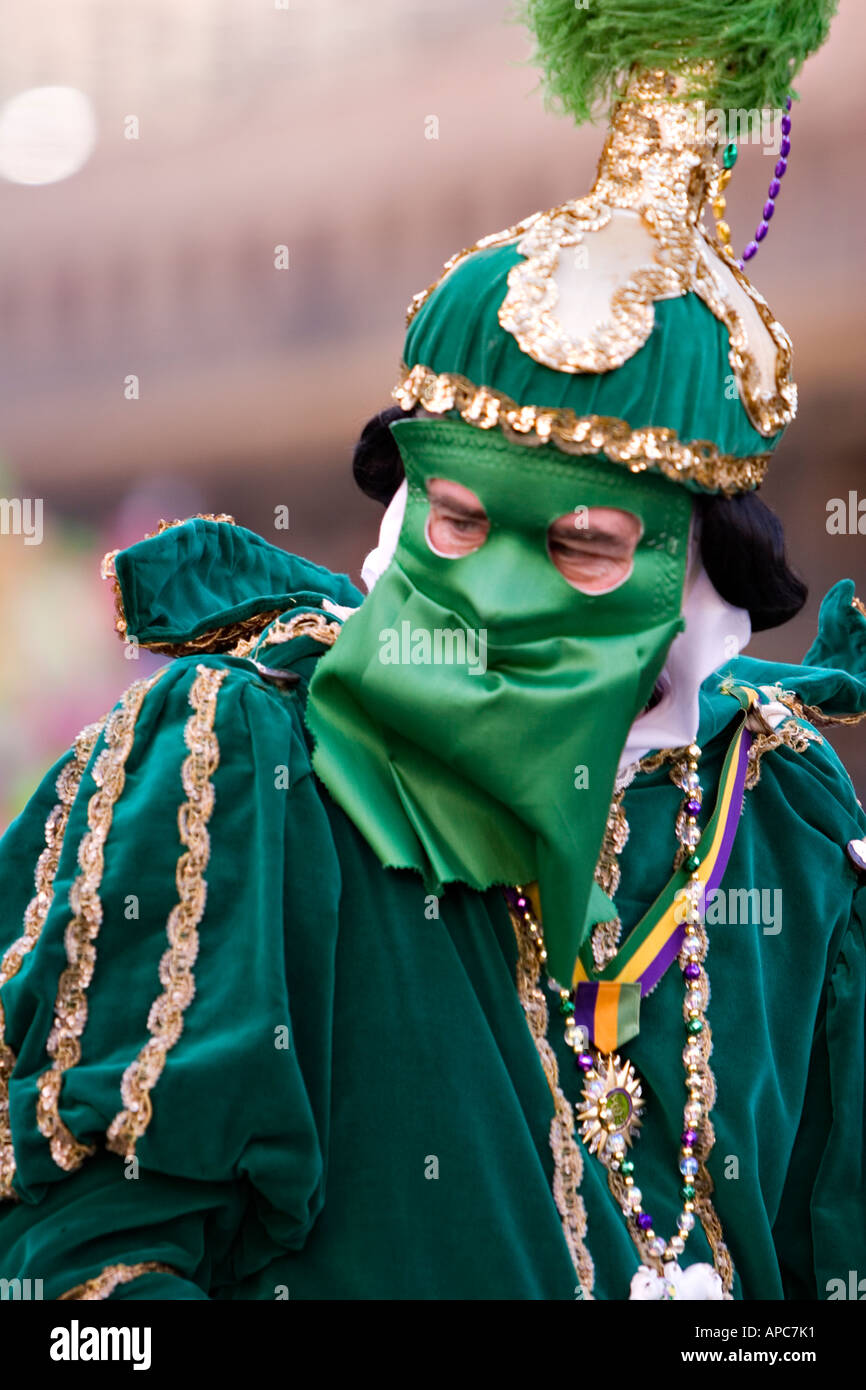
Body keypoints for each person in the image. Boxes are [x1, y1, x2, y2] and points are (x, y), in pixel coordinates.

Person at [0, 0, 862, 1302]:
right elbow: (80, 1277)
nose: (497, 599)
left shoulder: (782, 812)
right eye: (458, 522)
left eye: (577, 548)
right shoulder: (249, 769)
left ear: (693, 583)